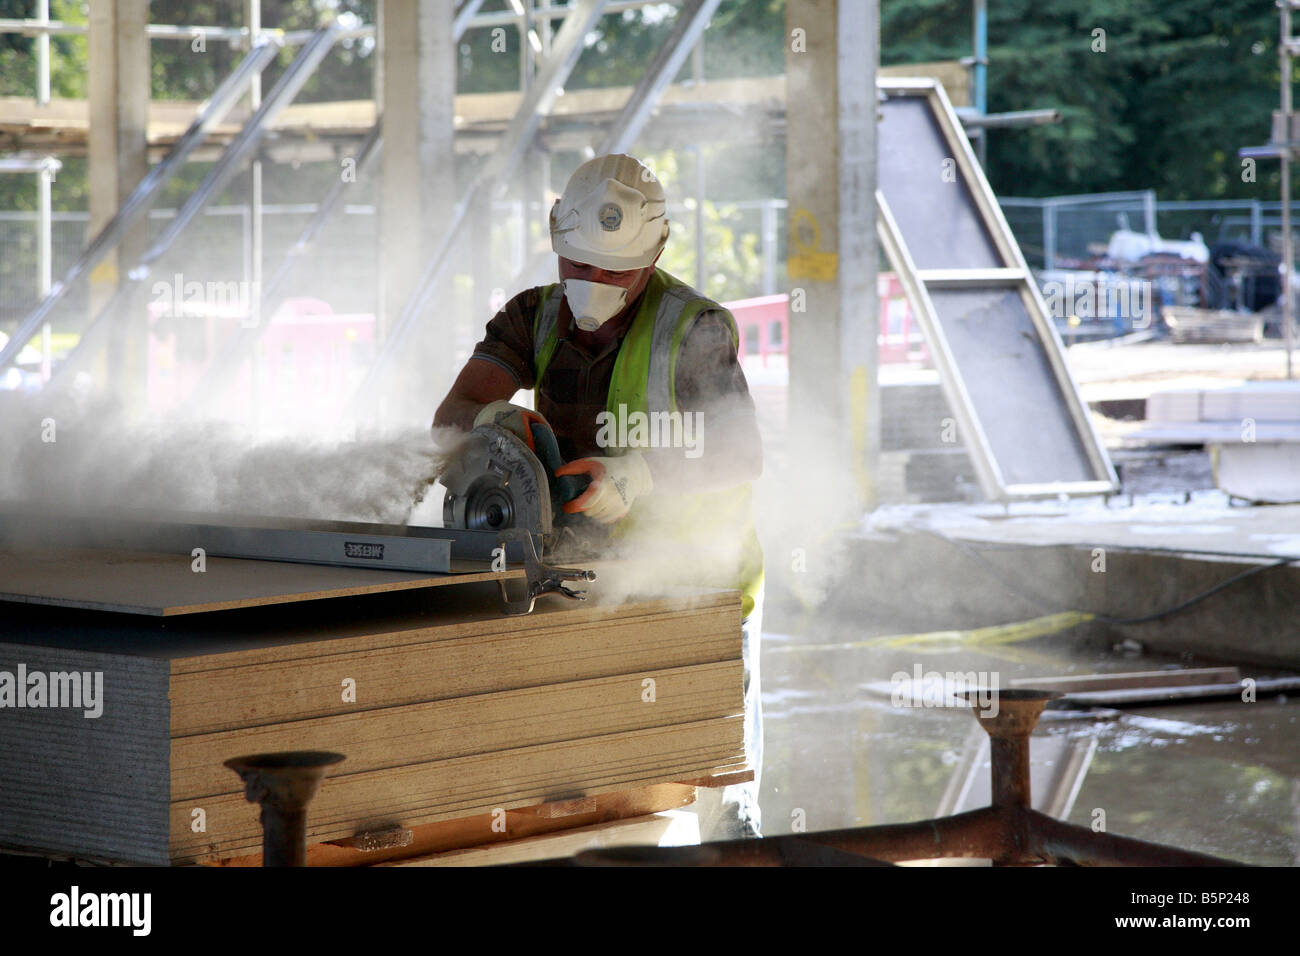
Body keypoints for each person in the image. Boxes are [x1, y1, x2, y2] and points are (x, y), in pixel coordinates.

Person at [433, 153, 764, 839]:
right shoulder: (532, 317)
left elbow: (740, 452)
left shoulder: (695, 329)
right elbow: (451, 416)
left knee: (715, 789)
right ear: (557, 243)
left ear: (657, 253)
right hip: (579, 576)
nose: (593, 285)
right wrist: (491, 422)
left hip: (698, 581)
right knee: (600, 782)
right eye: (579, 266)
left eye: (615, 272)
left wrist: (638, 476)